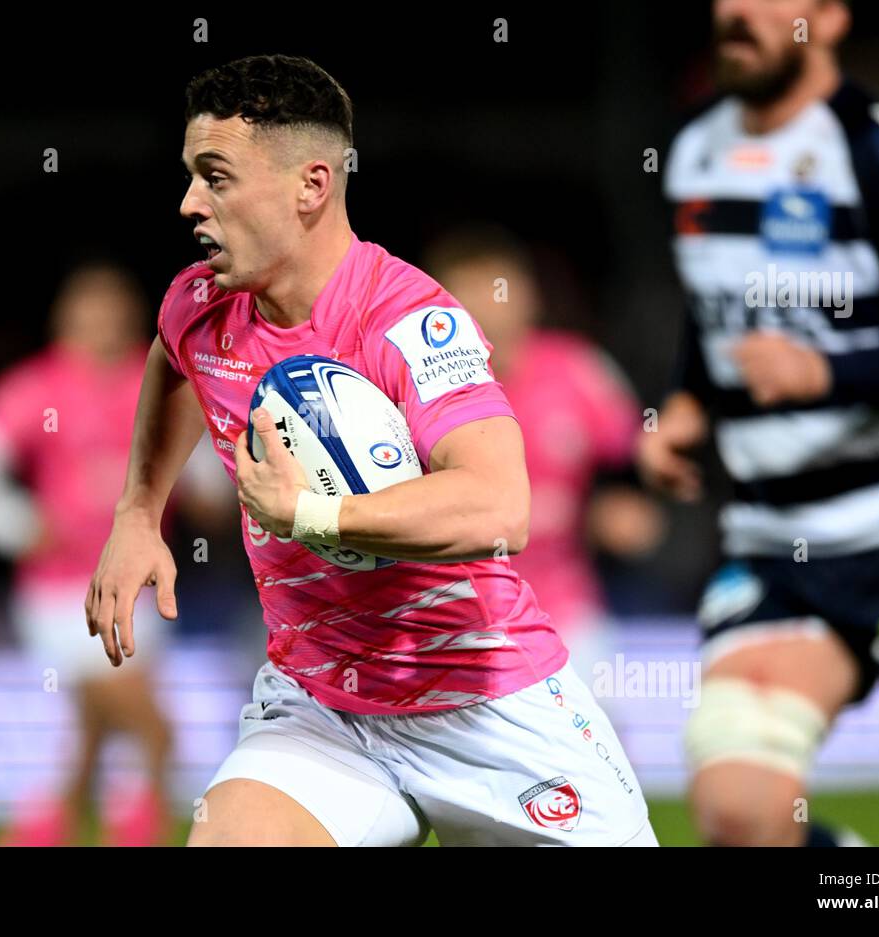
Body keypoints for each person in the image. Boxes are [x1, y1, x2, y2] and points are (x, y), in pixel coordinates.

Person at [85, 54, 656, 846]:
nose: (190, 203)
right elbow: (172, 359)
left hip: (484, 701)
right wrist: (138, 511)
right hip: (321, 708)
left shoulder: (412, 320)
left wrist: (312, 513)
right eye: (189, 176)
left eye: (215, 177)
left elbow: (499, 505)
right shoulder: (201, 303)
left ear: (311, 186)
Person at [641, 0, 879, 845]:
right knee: (740, 810)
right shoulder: (695, 148)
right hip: (776, 537)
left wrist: (828, 371)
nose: (739, 13)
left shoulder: (877, 140)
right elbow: (714, 312)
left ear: (828, 18)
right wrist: (688, 401)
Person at [0, 263, 225, 845]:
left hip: (142, 587)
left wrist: (212, 490)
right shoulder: (36, 388)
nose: (101, 326)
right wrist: (20, 526)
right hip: (63, 593)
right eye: (89, 313)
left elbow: (207, 480)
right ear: (64, 321)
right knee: (154, 732)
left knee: (93, 737)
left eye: (112, 313)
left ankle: (44, 830)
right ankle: (137, 832)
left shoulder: (155, 379)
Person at [423, 226, 664, 678]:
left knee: (599, 726)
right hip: (450, 618)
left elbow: (635, 457)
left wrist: (621, 504)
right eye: (466, 294)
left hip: (565, 611)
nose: (486, 309)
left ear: (529, 296)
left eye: (497, 290)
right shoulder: (418, 389)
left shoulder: (577, 369)